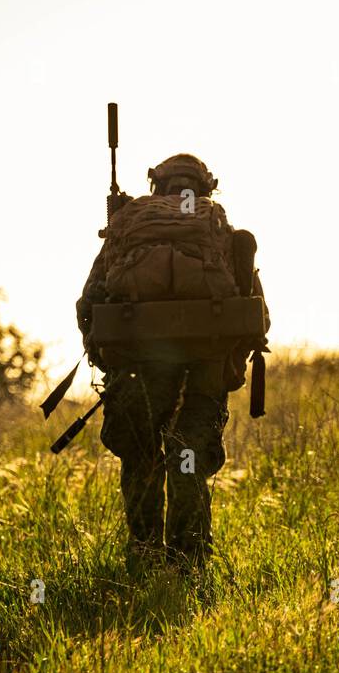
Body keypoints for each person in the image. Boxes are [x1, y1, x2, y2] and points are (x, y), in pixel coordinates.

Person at [76, 153, 267, 569]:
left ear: (156, 187)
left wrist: (104, 357)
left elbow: (89, 303)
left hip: (138, 366)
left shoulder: (127, 228)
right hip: (207, 366)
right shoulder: (223, 233)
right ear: (205, 187)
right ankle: (190, 563)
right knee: (187, 455)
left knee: (142, 456)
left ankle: (145, 556)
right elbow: (259, 317)